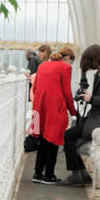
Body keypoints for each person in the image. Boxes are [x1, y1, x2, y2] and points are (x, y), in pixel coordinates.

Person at [61, 44, 100, 186]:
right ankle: (82, 174)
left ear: (94, 59)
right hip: (96, 117)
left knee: (69, 136)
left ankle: (78, 174)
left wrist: (91, 99)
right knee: (71, 138)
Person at [31, 45, 76, 183]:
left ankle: (37, 173)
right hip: (56, 109)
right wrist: (73, 111)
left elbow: (36, 87)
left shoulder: (43, 66)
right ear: (67, 58)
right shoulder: (65, 68)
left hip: (40, 107)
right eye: (71, 61)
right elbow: (67, 93)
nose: (70, 64)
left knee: (43, 140)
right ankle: (49, 175)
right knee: (53, 140)